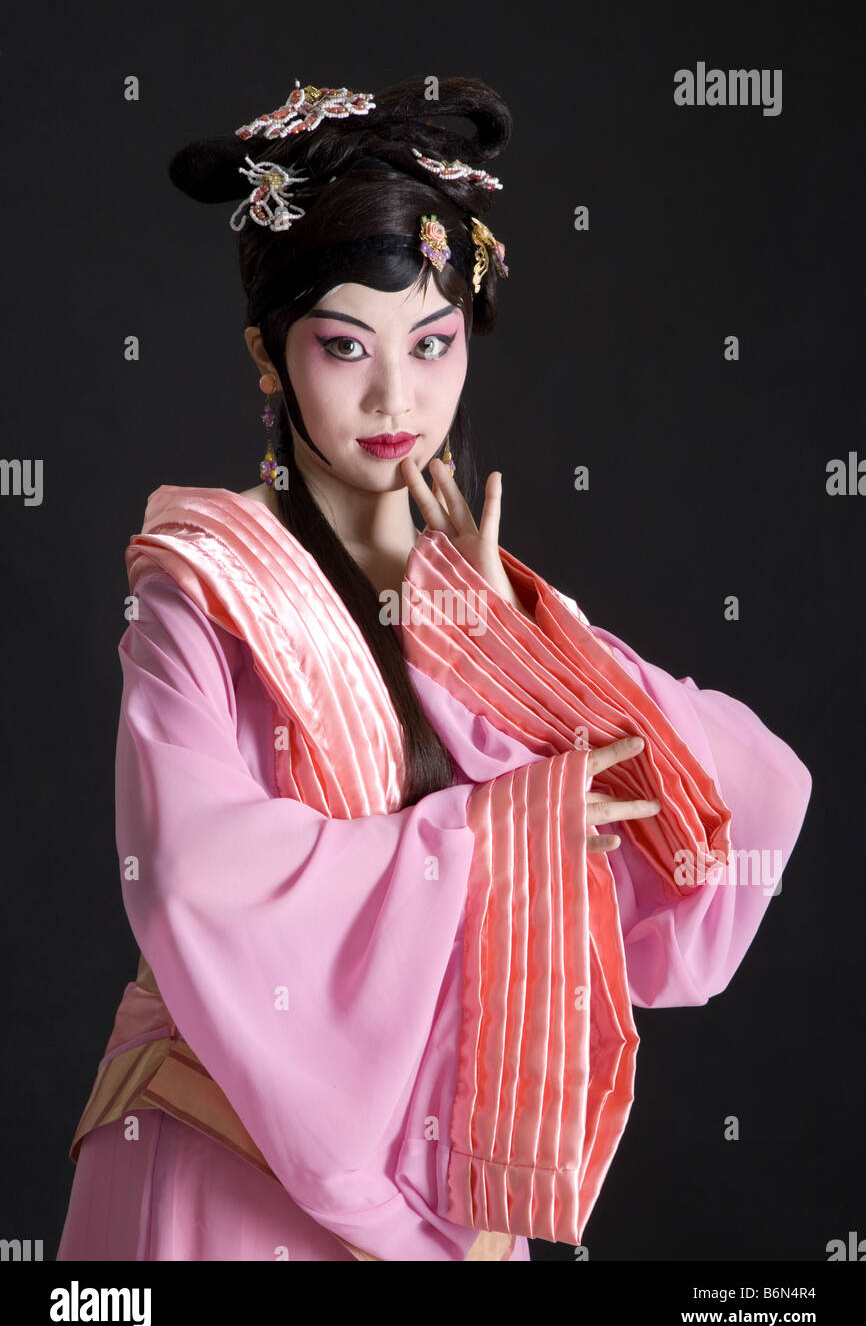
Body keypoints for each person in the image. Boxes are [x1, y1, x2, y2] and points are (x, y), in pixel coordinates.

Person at [56, 76, 812, 1262]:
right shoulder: (202, 586)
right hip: (218, 1142)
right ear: (270, 354)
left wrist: (505, 640)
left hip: (444, 1180)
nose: (395, 399)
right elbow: (192, 878)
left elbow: (734, 792)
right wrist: (493, 832)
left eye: (433, 343)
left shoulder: (481, 587)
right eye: (343, 346)